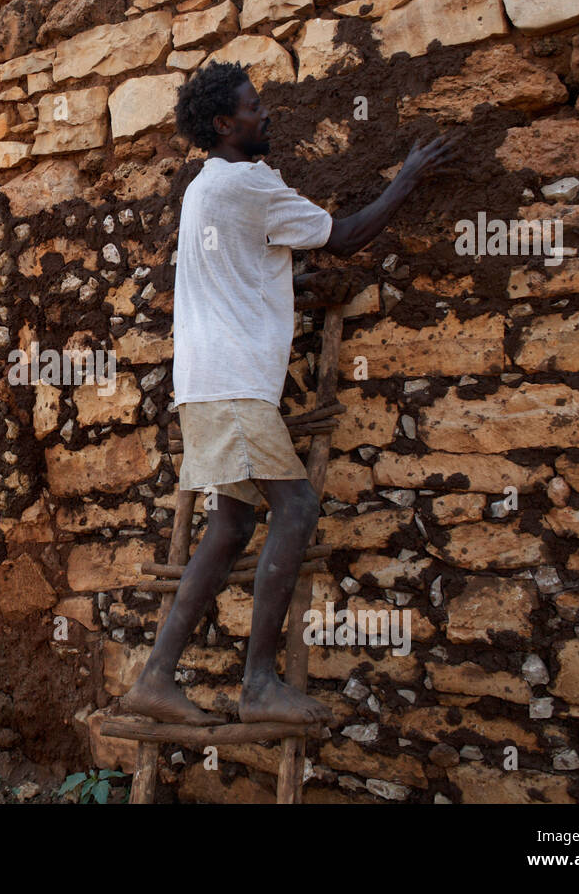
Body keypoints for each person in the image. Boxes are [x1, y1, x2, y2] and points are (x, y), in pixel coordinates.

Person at [120, 60, 461, 726]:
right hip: (232, 385)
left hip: (209, 383)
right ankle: (257, 686)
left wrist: (288, 289)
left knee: (232, 524)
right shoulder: (248, 184)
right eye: (253, 105)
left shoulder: (204, 189)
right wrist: (409, 177)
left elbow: (236, 277)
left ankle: (156, 678)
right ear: (224, 123)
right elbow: (347, 234)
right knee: (298, 506)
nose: (265, 112)